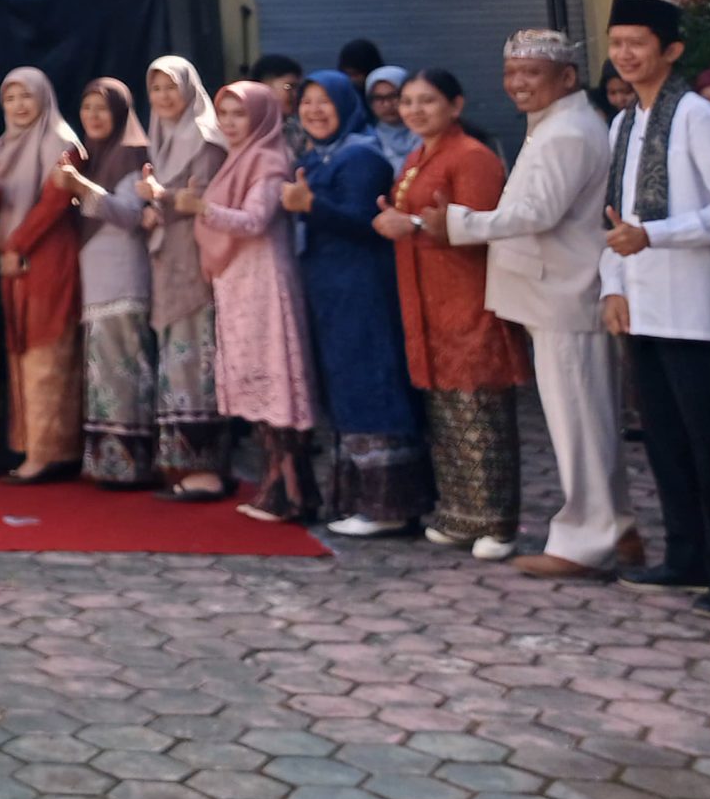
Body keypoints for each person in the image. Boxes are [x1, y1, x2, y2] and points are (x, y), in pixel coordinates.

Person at [416, 31, 635, 579]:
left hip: (564, 292)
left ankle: (587, 540)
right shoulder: (557, 126)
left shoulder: (566, 133)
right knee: (586, 421)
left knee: (580, 423)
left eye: (531, 73)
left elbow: (537, 212)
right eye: (511, 72)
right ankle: (616, 526)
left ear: (567, 78)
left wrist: (459, 223)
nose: (517, 83)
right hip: (555, 292)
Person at [598, 0, 710, 613]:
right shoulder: (623, 122)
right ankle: (685, 559)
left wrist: (657, 234)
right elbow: (613, 219)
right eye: (616, 42)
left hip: (698, 309)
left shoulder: (699, 119)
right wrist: (612, 287)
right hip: (643, 307)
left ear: (671, 50)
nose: (624, 54)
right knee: (665, 442)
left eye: (638, 43)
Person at [373, 68, 527, 559]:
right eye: (408, 101)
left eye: (428, 101)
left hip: (468, 296)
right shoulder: (418, 156)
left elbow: (480, 226)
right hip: (429, 299)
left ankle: (497, 522)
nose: (415, 110)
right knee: (447, 415)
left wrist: (411, 222)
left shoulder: (472, 157)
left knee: (481, 412)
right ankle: (461, 513)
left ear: (456, 106)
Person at [279, 71, 428, 538]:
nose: (314, 110)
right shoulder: (320, 155)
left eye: (325, 102)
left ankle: (390, 506)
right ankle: (361, 499)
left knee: (372, 385)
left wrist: (311, 206)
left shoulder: (360, 156)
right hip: (332, 291)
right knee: (347, 390)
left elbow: (368, 222)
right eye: (307, 102)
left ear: (346, 104)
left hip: (361, 290)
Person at [171, 80, 317, 522]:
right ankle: (278, 489)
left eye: (240, 114)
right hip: (237, 283)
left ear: (262, 116)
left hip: (264, 283)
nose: (231, 123)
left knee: (276, 382)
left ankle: (292, 494)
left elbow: (255, 221)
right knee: (256, 383)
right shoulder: (239, 158)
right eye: (225, 114)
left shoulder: (269, 160)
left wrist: (202, 210)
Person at [140, 57, 233, 500]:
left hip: (195, 259)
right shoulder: (162, 135)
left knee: (196, 358)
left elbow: (210, 196)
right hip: (168, 260)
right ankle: (182, 464)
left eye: (170, 87)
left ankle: (207, 468)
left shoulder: (205, 137)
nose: (163, 97)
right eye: (155, 89)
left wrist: (162, 198)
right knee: (177, 361)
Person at [56, 78, 153, 489]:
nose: (93, 116)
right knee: (104, 373)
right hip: (96, 282)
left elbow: (129, 214)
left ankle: (133, 465)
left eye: (102, 108)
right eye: (86, 107)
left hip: (124, 279)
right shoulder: (90, 158)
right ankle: (108, 463)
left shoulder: (132, 154)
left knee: (126, 368)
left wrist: (81, 187)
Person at [0, 68, 83, 484]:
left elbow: (55, 201)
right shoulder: (3, 146)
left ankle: (50, 451)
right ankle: (28, 443)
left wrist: (16, 245)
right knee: (21, 350)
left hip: (49, 257)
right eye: (10, 98)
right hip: (15, 260)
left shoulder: (63, 143)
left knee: (48, 351)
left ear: (44, 97)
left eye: (26, 96)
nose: (19, 106)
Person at [363, 66, 421, 167]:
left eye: (394, 96)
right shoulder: (368, 143)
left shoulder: (429, 136)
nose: (387, 104)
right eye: (378, 98)